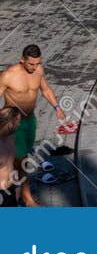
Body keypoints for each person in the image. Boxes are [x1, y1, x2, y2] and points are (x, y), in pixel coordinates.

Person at [1, 45, 65, 179]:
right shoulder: (8, 76)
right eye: (31, 64)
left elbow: (46, 90)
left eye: (37, 63)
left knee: (27, 148)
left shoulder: (38, 70)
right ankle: (22, 191)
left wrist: (57, 108)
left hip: (30, 119)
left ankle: (17, 181)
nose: (34, 67)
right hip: (14, 122)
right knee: (20, 157)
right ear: (22, 60)